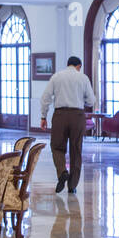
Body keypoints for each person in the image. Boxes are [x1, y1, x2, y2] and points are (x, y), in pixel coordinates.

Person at [39, 56, 98, 194]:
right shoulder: (83, 78)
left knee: (57, 147)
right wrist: (80, 99)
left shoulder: (56, 77)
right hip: (77, 116)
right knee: (76, 150)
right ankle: (72, 186)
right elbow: (91, 101)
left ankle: (62, 172)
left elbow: (45, 98)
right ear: (78, 66)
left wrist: (43, 116)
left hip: (60, 115)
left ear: (68, 64)